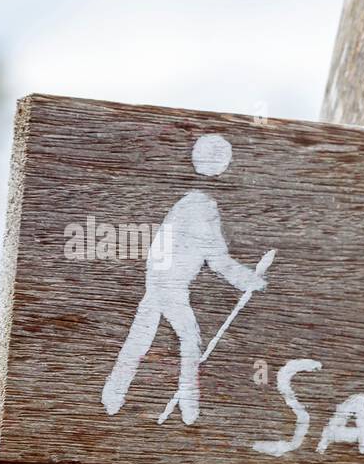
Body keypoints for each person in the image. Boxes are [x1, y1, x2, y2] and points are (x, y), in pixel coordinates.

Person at [101, 134, 266, 425]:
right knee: (188, 339)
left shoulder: (188, 205)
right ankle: (188, 403)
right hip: (170, 285)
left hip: (161, 282)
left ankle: (114, 394)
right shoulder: (202, 209)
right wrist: (250, 281)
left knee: (141, 339)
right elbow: (219, 261)